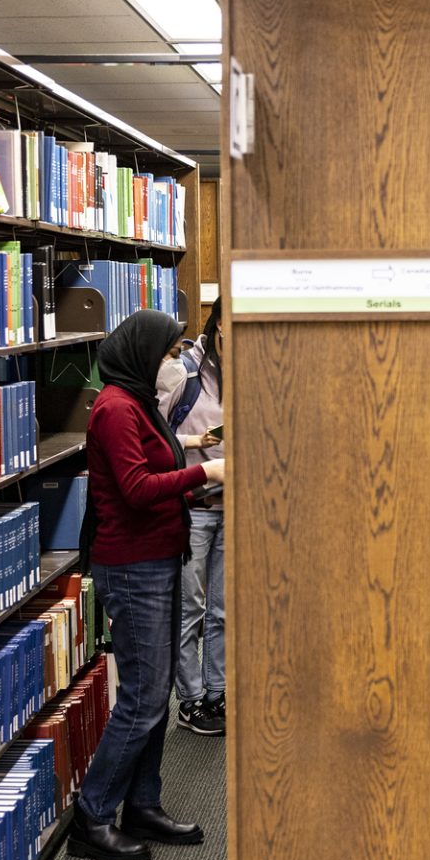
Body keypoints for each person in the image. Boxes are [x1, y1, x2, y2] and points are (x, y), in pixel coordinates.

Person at [68, 309, 226, 860]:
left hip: (157, 558)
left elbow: (156, 473)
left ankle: (141, 803)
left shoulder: (138, 403)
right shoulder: (115, 408)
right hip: (133, 567)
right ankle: (91, 817)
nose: (172, 364)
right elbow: (136, 489)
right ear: (142, 353)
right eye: (166, 354)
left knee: (154, 695)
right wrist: (207, 473)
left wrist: (191, 485)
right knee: (143, 697)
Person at [159, 302, 227, 736]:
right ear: (220, 324)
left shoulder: (248, 371)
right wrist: (195, 442)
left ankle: (217, 692)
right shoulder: (183, 372)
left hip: (233, 508)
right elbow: (155, 435)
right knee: (191, 608)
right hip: (193, 508)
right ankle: (190, 699)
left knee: (223, 610)